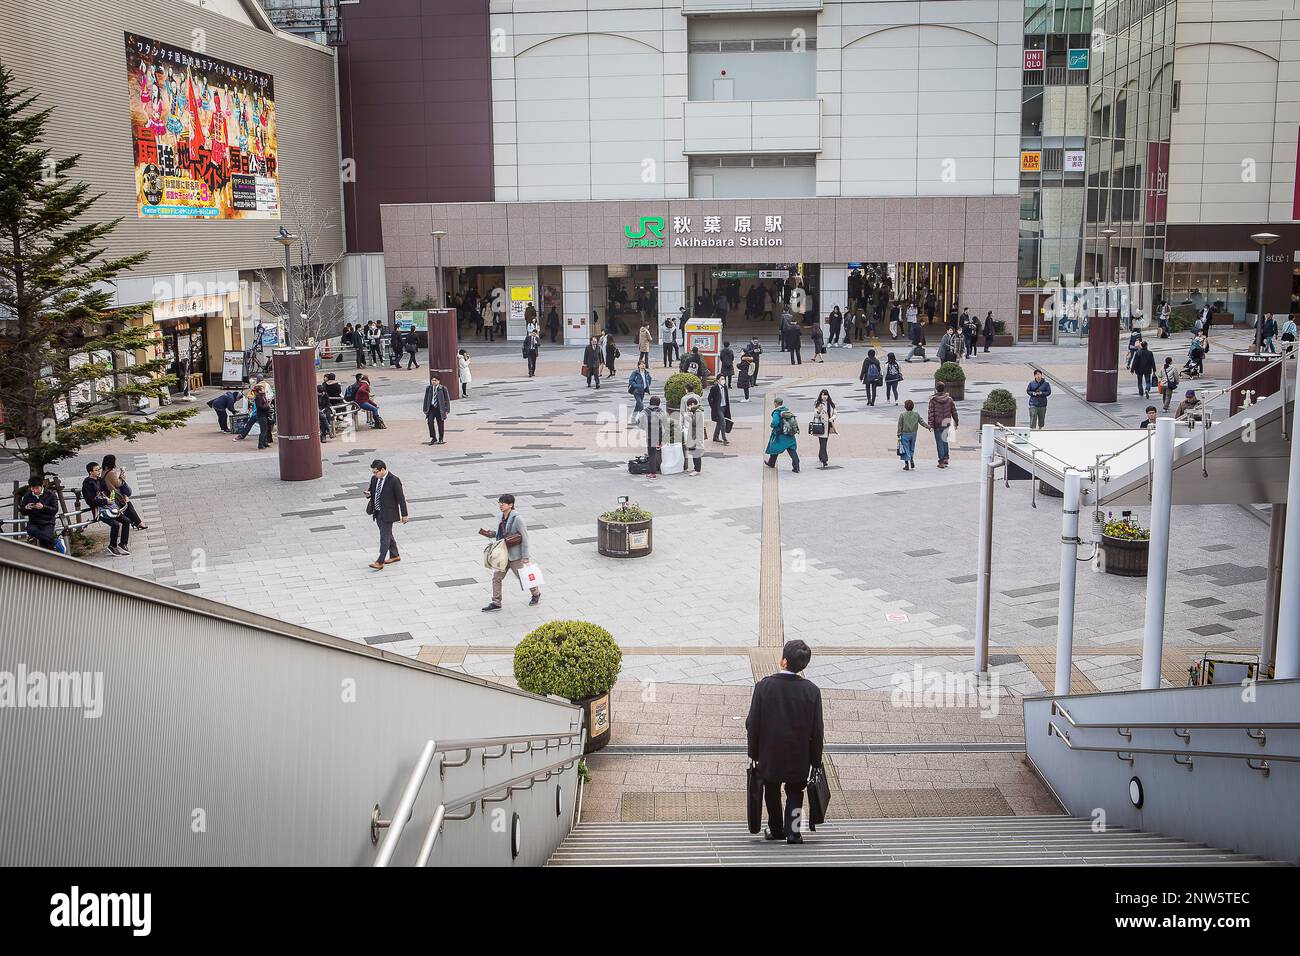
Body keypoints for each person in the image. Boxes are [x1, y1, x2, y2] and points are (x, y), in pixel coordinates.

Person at [746, 639, 824, 845]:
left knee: (771, 790)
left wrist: (754, 753)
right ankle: (793, 832)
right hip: (799, 755)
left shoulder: (764, 686)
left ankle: (776, 829)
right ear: (804, 665)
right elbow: (817, 731)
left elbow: (752, 723)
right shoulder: (812, 691)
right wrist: (816, 760)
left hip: (769, 754)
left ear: (783, 661)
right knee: (795, 791)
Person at [478, 493, 542, 611]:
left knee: (523, 577)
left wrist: (525, 556)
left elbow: (525, 537)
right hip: (502, 554)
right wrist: (489, 533)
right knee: (496, 577)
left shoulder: (517, 519)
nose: (500, 505)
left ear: (511, 505)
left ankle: (536, 593)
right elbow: (499, 533)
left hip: (514, 555)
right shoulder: (500, 517)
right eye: (500, 503)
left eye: (503, 503)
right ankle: (496, 602)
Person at [364, 460, 408, 570]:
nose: (374, 475)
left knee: (384, 537)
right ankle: (395, 554)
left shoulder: (394, 480)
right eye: (373, 472)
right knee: (387, 534)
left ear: (383, 470)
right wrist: (368, 494)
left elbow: (401, 499)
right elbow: (372, 491)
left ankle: (380, 561)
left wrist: (404, 514)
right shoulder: (374, 479)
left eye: (376, 472)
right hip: (377, 511)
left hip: (389, 513)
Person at [82, 462, 130, 555]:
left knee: (126, 520)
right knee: (115, 524)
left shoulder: (100, 480)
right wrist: (104, 501)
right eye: (96, 470)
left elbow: (107, 492)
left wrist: (110, 499)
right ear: (90, 472)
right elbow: (90, 501)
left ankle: (123, 543)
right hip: (99, 510)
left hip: (110, 507)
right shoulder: (87, 484)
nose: (99, 471)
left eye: (99, 469)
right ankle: (112, 546)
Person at [100, 454, 147, 531]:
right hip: (115, 495)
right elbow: (118, 483)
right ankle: (138, 523)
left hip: (111, 494)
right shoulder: (111, 472)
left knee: (127, 506)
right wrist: (122, 473)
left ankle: (137, 522)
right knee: (128, 505)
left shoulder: (104, 471)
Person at [20, 476, 60, 550]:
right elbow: (22, 512)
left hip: (47, 522)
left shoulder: (51, 494)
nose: (34, 491)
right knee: (31, 530)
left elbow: (55, 510)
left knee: (45, 542)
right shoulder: (27, 496)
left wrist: (43, 507)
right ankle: (55, 542)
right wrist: (26, 508)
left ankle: (49, 557)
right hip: (33, 522)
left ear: (42, 486)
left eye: (36, 488)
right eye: (32, 488)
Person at [765, 395, 800, 472]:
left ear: (776, 403)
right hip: (789, 434)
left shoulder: (776, 412)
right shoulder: (787, 410)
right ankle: (796, 466)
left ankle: (771, 463)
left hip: (780, 435)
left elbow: (775, 422)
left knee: (774, 448)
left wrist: (772, 425)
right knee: (791, 449)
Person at [928, 382, 958, 468]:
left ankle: (941, 461)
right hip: (946, 422)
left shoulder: (933, 400)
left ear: (936, 389)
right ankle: (946, 458)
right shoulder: (949, 399)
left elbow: (931, 413)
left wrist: (930, 425)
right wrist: (956, 421)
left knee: (939, 442)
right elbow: (954, 411)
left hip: (937, 423)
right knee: (945, 440)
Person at [896, 399, 925, 471]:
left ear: (905, 407)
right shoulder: (916, 414)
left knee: (906, 449)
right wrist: (929, 427)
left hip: (905, 434)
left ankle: (906, 464)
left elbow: (900, 426)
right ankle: (911, 458)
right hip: (913, 434)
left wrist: (899, 434)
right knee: (912, 447)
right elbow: (922, 422)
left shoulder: (902, 415)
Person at [423, 374, 451, 445]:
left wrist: (447, 410)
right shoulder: (428, 388)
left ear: (439, 381)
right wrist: (425, 409)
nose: (433, 382)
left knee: (440, 424)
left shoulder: (443, 388)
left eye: (435, 380)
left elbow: (447, 400)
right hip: (431, 408)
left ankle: (441, 438)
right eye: (432, 380)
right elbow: (426, 399)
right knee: (430, 422)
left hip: (440, 408)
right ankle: (433, 437)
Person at [683, 395, 707, 477]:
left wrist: (686, 416)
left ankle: (697, 470)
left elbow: (694, 423)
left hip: (696, 436)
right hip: (694, 435)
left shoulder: (698, 412)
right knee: (693, 451)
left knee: (696, 452)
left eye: (689, 405)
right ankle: (695, 468)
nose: (689, 407)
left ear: (692, 404)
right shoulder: (696, 411)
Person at [643, 395, 666, 479]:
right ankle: (660, 468)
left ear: (650, 402)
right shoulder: (661, 411)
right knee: (657, 453)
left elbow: (640, 423)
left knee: (651, 454)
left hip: (649, 436)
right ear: (659, 403)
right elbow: (665, 423)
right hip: (659, 436)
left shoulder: (645, 411)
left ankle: (653, 473)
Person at [813, 389, 836, 468]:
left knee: (824, 442)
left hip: (828, 426)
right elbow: (815, 415)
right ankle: (825, 460)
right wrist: (819, 411)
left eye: (826, 395)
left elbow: (835, 413)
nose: (824, 397)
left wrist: (832, 418)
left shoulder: (831, 404)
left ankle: (820, 455)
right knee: (823, 443)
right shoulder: (818, 404)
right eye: (823, 395)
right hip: (821, 426)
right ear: (820, 395)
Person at [707, 373, 732, 445]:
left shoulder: (725, 387)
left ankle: (715, 437)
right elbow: (709, 398)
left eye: (724, 379)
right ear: (718, 381)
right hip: (718, 408)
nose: (723, 380)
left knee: (719, 422)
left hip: (724, 407)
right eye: (721, 379)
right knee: (723, 423)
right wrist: (713, 406)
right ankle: (724, 439)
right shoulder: (714, 388)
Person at [252, 382, 275, 447]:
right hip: (261, 415)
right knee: (263, 430)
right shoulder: (258, 397)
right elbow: (260, 406)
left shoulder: (262, 396)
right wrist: (267, 407)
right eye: (262, 389)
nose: (264, 389)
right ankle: (261, 444)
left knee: (266, 429)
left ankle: (265, 442)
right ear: (259, 390)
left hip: (265, 414)